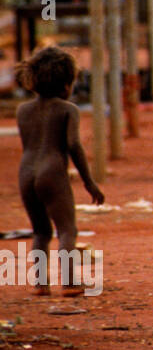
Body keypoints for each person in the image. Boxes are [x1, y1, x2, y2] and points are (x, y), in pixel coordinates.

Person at [16, 47, 103, 296]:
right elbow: (73, 145)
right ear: (67, 83)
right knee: (67, 229)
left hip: (25, 173)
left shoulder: (22, 110)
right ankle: (69, 281)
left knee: (41, 231)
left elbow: (30, 143)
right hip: (52, 172)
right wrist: (89, 182)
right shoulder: (67, 109)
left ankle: (41, 284)